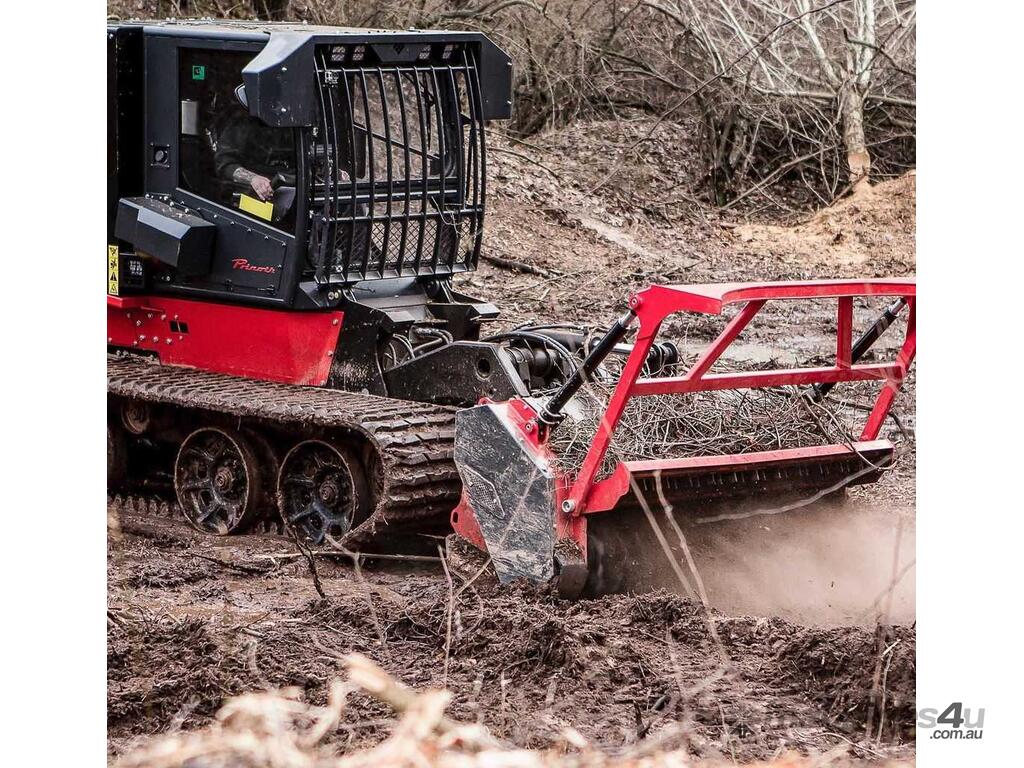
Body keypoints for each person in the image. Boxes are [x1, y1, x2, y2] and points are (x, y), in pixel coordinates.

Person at [214, 103, 295, 202]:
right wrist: (254, 179)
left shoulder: (292, 121)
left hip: (293, 192)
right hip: (253, 197)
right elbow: (224, 164)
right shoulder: (242, 122)